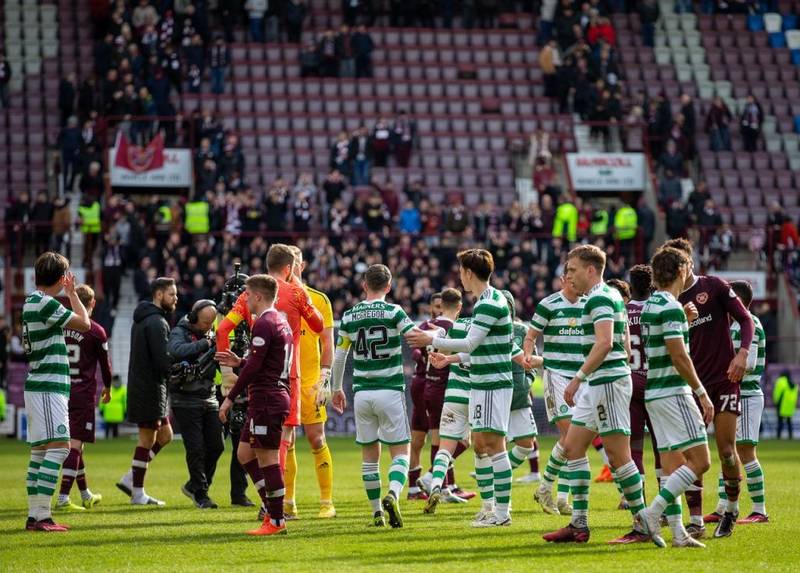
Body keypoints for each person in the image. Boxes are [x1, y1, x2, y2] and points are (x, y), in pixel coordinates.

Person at [543, 245, 651, 545]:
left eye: (573, 269)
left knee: (618, 456)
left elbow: (604, 343)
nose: (568, 275)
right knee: (573, 448)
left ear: (591, 270)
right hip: (600, 382)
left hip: (606, 382)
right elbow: (625, 346)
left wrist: (578, 378)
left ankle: (643, 524)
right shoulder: (610, 296)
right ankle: (578, 525)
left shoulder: (600, 298)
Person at [407, 249, 522, 528]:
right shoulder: (486, 301)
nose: (460, 277)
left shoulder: (490, 303)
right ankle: (488, 508)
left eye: (461, 271)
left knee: (494, 445)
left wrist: (432, 339)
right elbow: (476, 350)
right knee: (482, 444)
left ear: (469, 273)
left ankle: (502, 513)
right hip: (482, 383)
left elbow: (470, 342)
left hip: (493, 383)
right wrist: (450, 358)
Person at [667, 237, 754, 539]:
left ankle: (730, 509)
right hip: (692, 384)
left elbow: (745, 320)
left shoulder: (714, 286)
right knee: (690, 456)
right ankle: (694, 522)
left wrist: (743, 352)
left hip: (724, 380)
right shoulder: (670, 300)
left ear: (688, 262)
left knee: (727, 452)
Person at [637, 247, 714, 548]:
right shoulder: (669, 307)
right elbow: (679, 356)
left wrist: (682, 315)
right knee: (701, 461)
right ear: (681, 270)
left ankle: (679, 532)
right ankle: (652, 513)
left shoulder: (653, 306)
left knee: (672, 466)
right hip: (673, 391)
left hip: (654, 393)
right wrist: (701, 392)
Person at [331, 264, 416, 528]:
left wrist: (336, 388)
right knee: (401, 452)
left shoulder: (349, 316)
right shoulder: (394, 312)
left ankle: (377, 512)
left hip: (362, 394)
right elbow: (414, 337)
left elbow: (340, 356)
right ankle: (393, 493)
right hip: (390, 390)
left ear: (364, 285)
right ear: (389, 287)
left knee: (370, 455)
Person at [217, 275, 293, 536]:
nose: (244, 299)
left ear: (258, 296)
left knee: (269, 459)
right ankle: (270, 507)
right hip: (269, 396)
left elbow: (255, 369)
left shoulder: (264, 323)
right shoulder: (280, 320)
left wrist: (229, 397)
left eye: (247, 295)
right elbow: (260, 362)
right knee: (244, 454)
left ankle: (277, 520)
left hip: (267, 398)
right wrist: (240, 361)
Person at [22, 252, 91, 532]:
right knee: (61, 448)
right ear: (62, 277)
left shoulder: (31, 301)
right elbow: (85, 324)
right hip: (48, 386)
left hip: (39, 383)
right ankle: (42, 516)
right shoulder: (45, 303)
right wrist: (73, 294)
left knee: (39, 452)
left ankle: (35, 514)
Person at [707, 281, 769, 524]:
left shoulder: (750, 324)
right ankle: (723, 506)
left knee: (745, 451)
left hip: (748, 394)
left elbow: (749, 364)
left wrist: (719, 368)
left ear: (739, 302)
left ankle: (759, 509)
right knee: (728, 450)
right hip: (733, 393)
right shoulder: (730, 325)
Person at [526, 273, 585, 516]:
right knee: (571, 435)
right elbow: (531, 335)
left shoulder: (588, 303)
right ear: (562, 279)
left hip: (582, 376)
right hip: (556, 376)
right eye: (570, 276)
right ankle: (551, 490)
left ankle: (556, 495)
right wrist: (528, 354)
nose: (574, 281)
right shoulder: (548, 304)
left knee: (575, 441)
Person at [285, 246, 337, 519]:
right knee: (287, 441)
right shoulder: (276, 298)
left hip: (310, 383)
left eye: (296, 262)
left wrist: (325, 378)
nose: (292, 267)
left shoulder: (319, 300)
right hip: (285, 382)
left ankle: (327, 502)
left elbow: (327, 343)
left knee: (317, 439)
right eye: (288, 262)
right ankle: (289, 502)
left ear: (301, 266)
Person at [116, 277, 178, 506]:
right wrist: (179, 367)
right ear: (159, 295)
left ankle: (131, 477)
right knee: (146, 440)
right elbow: (163, 361)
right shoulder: (156, 323)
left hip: (150, 388)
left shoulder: (146, 319)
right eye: (172, 294)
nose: (176, 298)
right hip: (149, 389)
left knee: (165, 435)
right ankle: (138, 493)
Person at [56, 285, 112, 512]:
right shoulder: (96, 331)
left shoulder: (60, 327)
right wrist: (107, 387)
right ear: (93, 304)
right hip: (82, 394)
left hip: (60, 391)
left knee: (76, 447)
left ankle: (85, 494)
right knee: (75, 445)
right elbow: (105, 367)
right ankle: (62, 498)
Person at [413, 290, 472, 505]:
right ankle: (432, 477)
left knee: (440, 439)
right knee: (462, 440)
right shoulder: (454, 328)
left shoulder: (427, 326)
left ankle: (444, 487)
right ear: (459, 307)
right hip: (447, 388)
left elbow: (415, 351)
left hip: (428, 385)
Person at [168, 299, 225, 510]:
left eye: (211, 323)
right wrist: (207, 344)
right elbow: (176, 351)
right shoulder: (179, 332)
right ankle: (201, 494)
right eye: (204, 323)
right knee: (195, 448)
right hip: (184, 398)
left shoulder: (211, 333)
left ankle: (195, 485)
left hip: (208, 396)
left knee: (217, 445)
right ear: (193, 319)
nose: (208, 328)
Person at [622, 266, 663, 509]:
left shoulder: (622, 311)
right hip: (656, 381)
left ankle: (639, 505)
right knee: (662, 447)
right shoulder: (659, 308)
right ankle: (665, 505)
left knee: (634, 447)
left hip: (630, 382)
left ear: (631, 286)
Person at [501, 291, 542, 482]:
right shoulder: (486, 329)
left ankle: (498, 474)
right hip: (494, 392)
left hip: (519, 394)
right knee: (487, 445)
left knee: (526, 443)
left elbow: (532, 360)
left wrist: (529, 381)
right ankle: (492, 491)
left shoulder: (521, 330)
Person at [407, 292, 441, 500]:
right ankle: (438, 484)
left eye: (441, 306)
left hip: (430, 385)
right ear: (430, 308)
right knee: (428, 437)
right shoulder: (425, 328)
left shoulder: (448, 327)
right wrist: (422, 353)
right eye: (436, 306)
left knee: (424, 436)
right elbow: (414, 352)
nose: (439, 309)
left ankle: (424, 485)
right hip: (425, 384)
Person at [773, 371, 797, 439]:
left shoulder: (780, 381)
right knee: (789, 421)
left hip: (781, 404)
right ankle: (790, 436)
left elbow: (777, 392)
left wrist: (776, 401)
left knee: (780, 421)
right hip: (790, 406)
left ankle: (778, 436)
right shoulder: (793, 383)